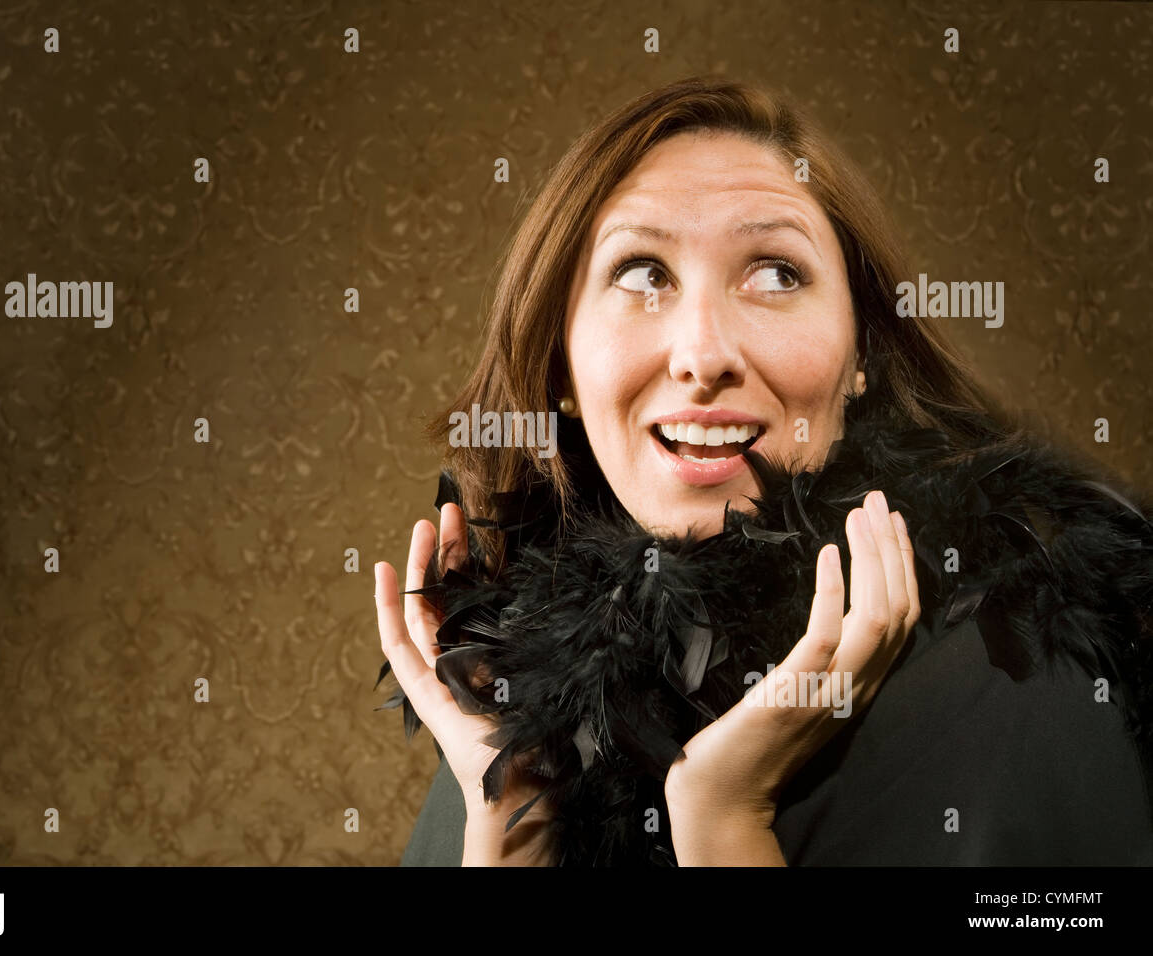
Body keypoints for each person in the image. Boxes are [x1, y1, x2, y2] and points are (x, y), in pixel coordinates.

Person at [372, 76, 1153, 866]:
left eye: (776, 273)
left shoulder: (1016, 679)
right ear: (561, 364)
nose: (703, 356)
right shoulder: (519, 728)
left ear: (864, 354)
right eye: (644, 274)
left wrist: (725, 822)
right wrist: (512, 824)